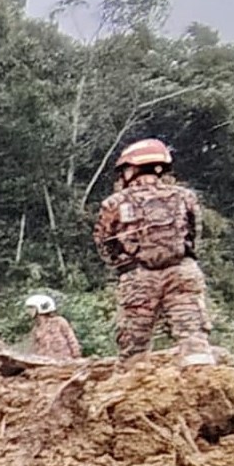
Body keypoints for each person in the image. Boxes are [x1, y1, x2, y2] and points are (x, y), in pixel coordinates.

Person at [93, 139, 213, 365]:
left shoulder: (114, 203)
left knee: (133, 348)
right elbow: (194, 234)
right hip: (182, 272)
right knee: (193, 339)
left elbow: (104, 242)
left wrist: (124, 267)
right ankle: (204, 386)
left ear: (132, 169)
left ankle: (135, 391)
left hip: (138, 278)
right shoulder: (185, 197)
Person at [23, 295, 83, 360]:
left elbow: (71, 340)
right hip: (46, 363)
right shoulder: (36, 329)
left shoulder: (59, 322)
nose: (28, 311)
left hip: (64, 361)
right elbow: (35, 348)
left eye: (31, 308)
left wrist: (76, 356)